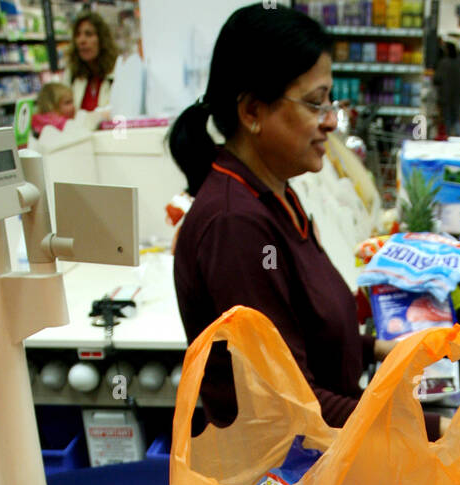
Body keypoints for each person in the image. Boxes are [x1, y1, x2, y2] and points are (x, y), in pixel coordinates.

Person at [170, 5, 428, 435]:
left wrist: (389, 348)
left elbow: (307, 333)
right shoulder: (237, 226)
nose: (331, 121)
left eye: (330, 101)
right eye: (314, 103)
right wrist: (435, 428)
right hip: (282, 480)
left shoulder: (276, 193)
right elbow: (289, 406)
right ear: (252, 111)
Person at [68, 10, 117, 115]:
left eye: (88, 34)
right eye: (78, 35)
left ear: (102, 39)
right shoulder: (72, 76)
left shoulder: (116, 74)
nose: (81, 40)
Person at [434, 42, 460, 138]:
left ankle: (448, 140)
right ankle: (459, 139)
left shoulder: (443, 63)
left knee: (447, 119)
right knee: (456, 119)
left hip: (445, 97)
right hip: (457, 96)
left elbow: (436, 79)